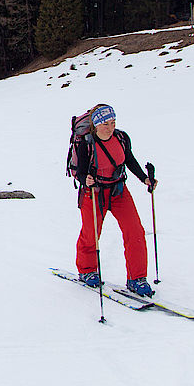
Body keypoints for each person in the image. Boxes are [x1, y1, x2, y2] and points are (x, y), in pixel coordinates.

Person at [70, 103, 158, 297]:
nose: (110, 128)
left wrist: (145, 178)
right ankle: (87, 270)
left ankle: (137, 278)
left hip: (118, 190)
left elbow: (130, 160)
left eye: (112, 122)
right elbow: (80, 170)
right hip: (93, 193)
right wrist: (85, 179)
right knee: (91, 233)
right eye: (105, 124)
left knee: (134, 230)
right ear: (95, 124)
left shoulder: (121, 138)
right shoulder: (86, 143)